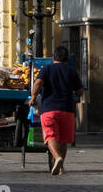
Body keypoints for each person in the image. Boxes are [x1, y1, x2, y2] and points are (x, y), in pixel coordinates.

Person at [30, 44, 84, 177]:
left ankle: (57, 158)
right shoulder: (71, 71)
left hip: (49, 109)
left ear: (53, 58)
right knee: (64, 140)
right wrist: (76, 95)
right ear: (67, 59)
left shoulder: (47, 69)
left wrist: (33, 97)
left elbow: (38, 83)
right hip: (67, 110)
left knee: (50, 136)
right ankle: (61, 166)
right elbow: (80, 91)